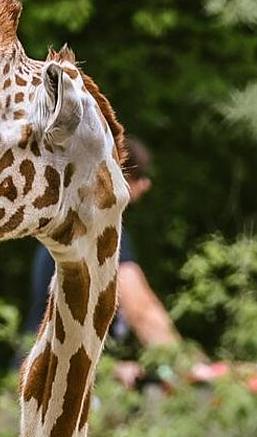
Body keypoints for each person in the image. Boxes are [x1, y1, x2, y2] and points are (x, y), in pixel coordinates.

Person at [20, 136, 181, 385]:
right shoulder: (98, 230)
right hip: (53, 385)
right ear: (121, 177)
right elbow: (142, 309)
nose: (146, 185)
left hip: (39, 373)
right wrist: (186, 364)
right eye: (140, 177)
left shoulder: (71, 225)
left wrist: (110, 368)